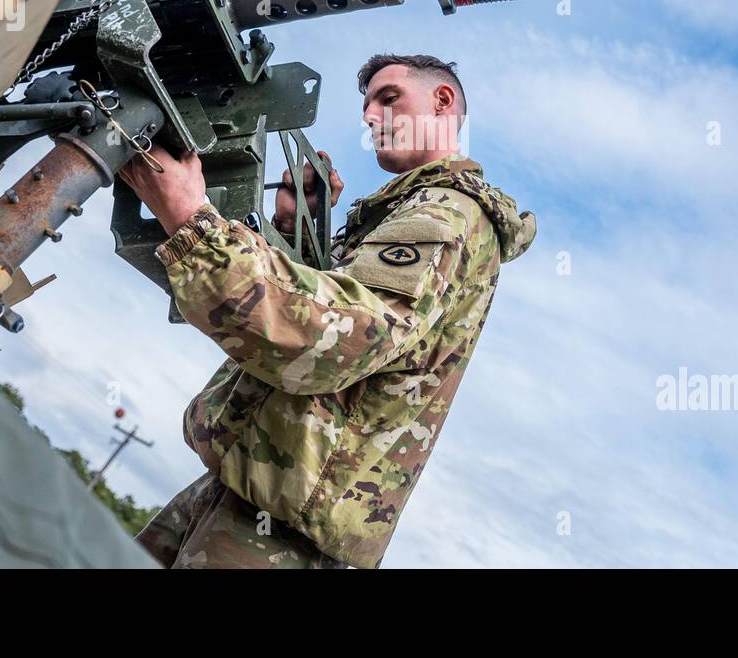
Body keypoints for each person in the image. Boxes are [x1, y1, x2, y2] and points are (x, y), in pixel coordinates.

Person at [121, 54, 535, 568]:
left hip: (283, 527)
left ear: (442, 101)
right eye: (366, 105)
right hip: (254, 488)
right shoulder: (410, 212)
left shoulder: (447, 213)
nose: (369, 116)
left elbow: (336, 343)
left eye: (389, 98)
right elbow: (317, 316)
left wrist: (190, 220)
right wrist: (301, 230)